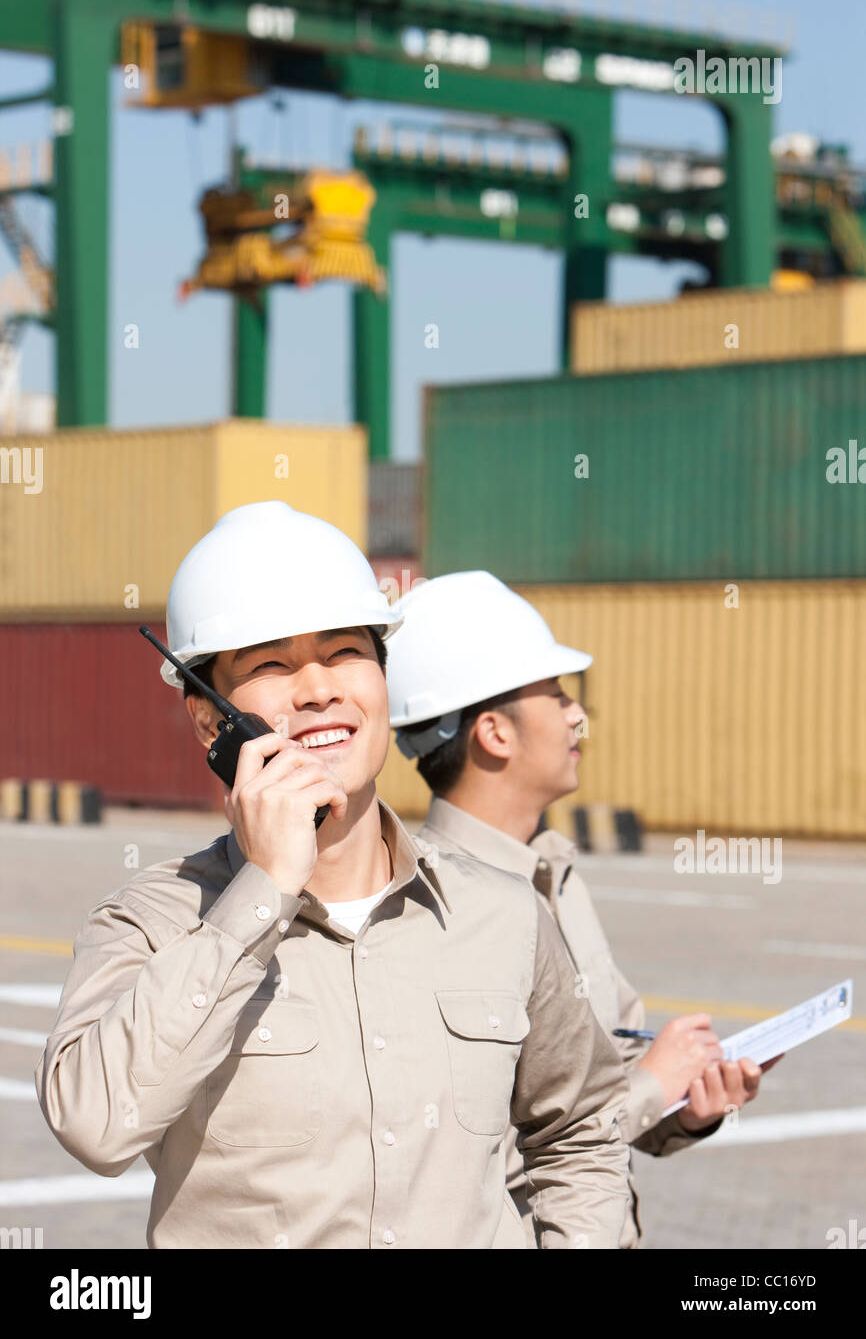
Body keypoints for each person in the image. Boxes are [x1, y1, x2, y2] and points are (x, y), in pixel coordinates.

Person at [36, 502, 633, 1250]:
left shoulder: (502, 912)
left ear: (383, 678)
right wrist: (264, 888)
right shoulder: (152, 923)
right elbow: (96, 1125)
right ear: (207, 721)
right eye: (271, 665)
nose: (319, 689)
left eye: (346, 652)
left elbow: (580, 1129)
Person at [387, 570, 778, 1249]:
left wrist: (688, 1105)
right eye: (559, 696)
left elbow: (606, 1083)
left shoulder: (556, 873)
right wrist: (653, 1089)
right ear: (494, 733)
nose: (578, 716)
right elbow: (469, 1163)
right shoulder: (429, 912)